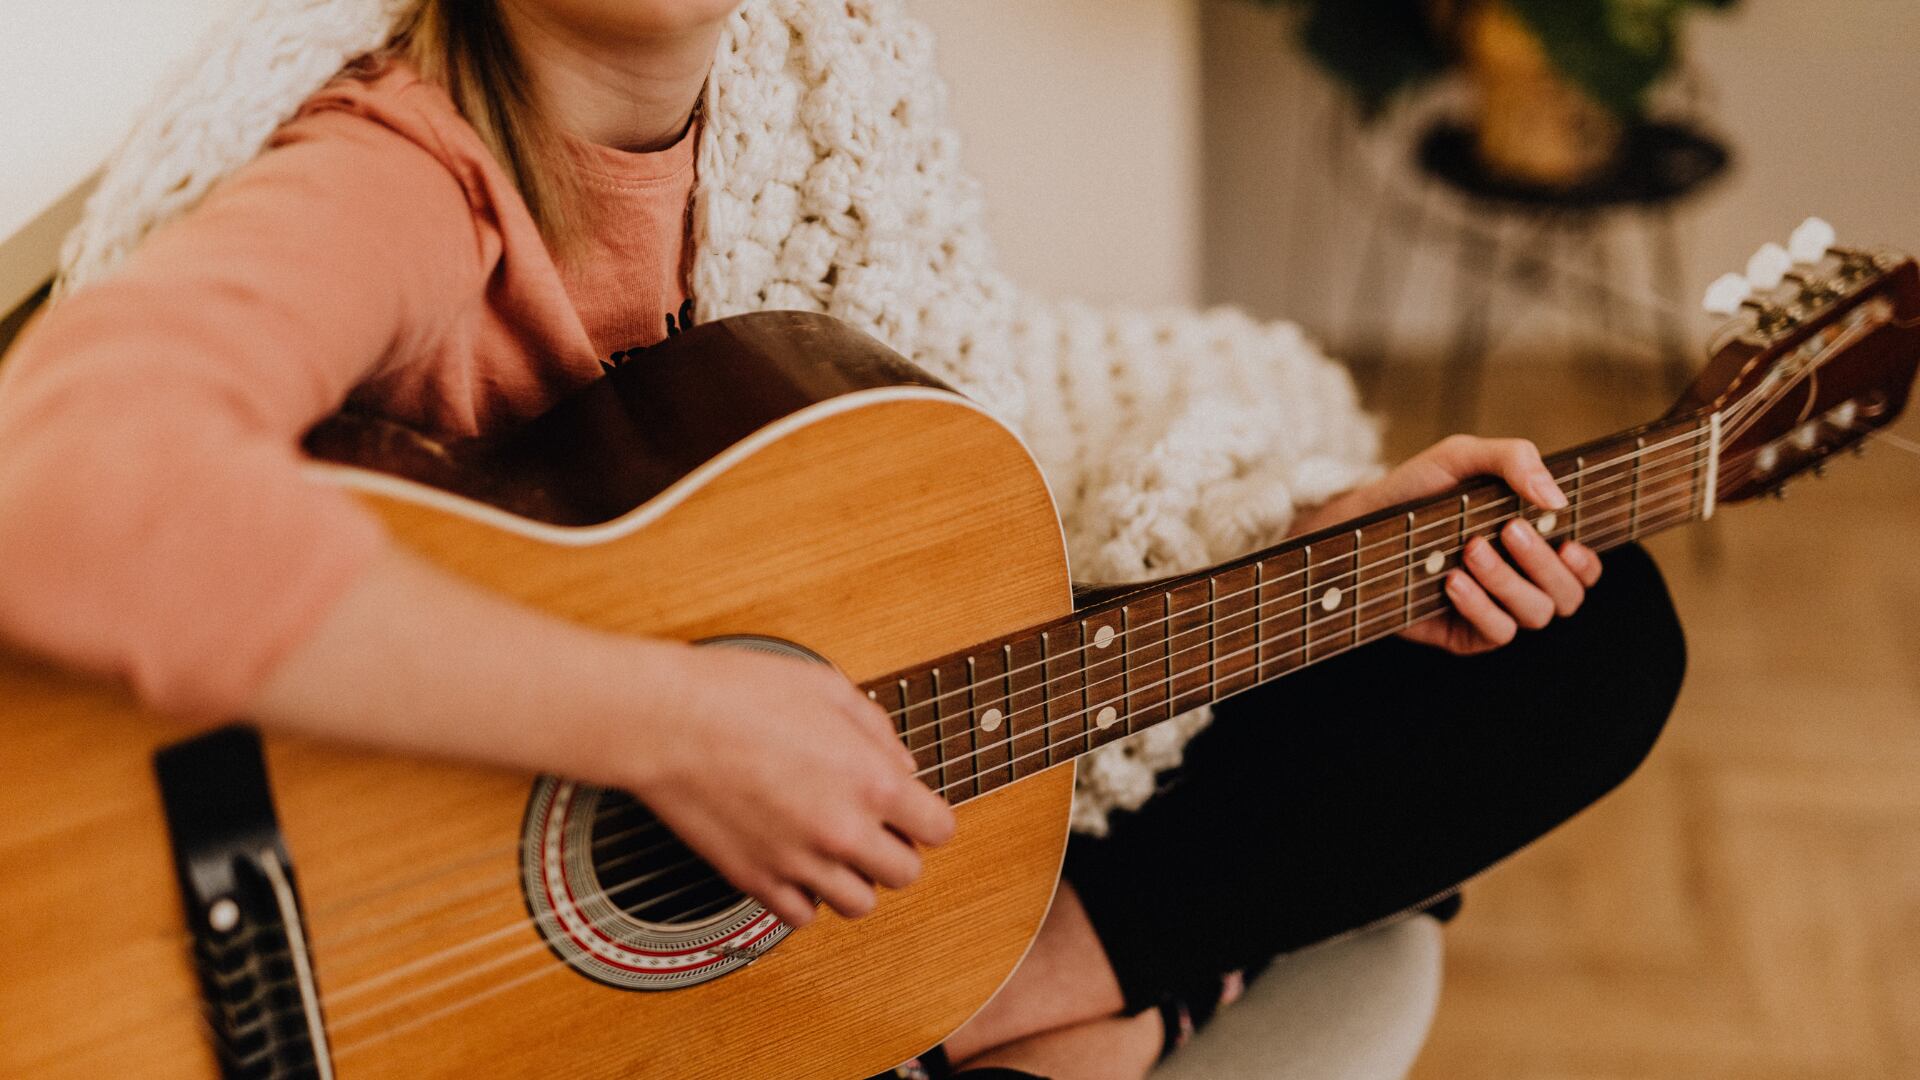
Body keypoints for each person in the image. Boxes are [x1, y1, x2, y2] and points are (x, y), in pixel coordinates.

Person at [0, 2, 1685, 1077]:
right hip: (396, 947)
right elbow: (60, 492)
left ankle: (1000, 1002)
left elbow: (985, 480)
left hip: (798, 808)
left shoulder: (813, 91)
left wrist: (1305, 537)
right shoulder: (400, 170)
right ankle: (1071, 1015)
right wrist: (665, 727)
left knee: (1584, 634)